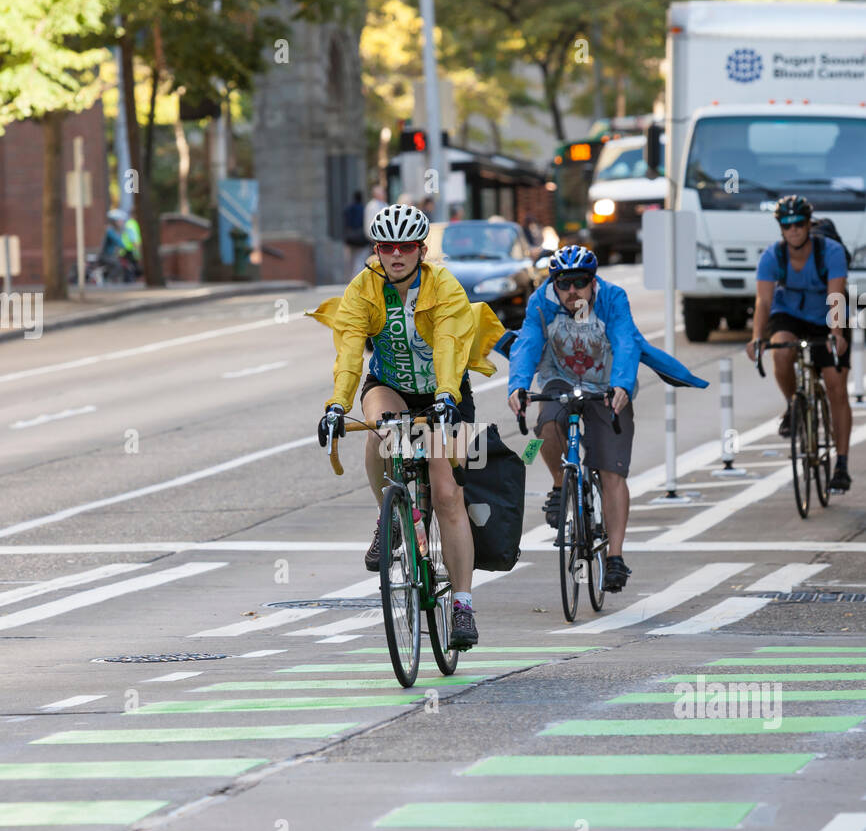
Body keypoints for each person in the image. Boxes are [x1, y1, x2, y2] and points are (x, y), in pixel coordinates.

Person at [307, 203, 506, 649]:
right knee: (380, 428)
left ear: (420, 249)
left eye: (406, 247)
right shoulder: (364, 288)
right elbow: (350, 352)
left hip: (444, 390)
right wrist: (337, 405)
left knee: (448, 493)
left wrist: (446, 398)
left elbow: (452, 346)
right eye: (386, 247)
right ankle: (389, 516)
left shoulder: (445, 288)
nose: (396, 255)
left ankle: (462, 604)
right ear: (377, 249)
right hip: (391, 385)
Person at [507, 245, 708, 592]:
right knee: (545, 427)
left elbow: (627, 342)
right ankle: (559, 484)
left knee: (612, 470)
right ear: (553, 282)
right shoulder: (540, 302)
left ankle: (615, 557)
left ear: (593, 281)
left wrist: (623, 386)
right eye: (563, 283)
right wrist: (518, 386)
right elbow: (526, 344)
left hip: (607, 382)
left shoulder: (614, 298)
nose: (572, 291)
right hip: (560, 379)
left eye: (580, 283)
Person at [746, 194, 851, 492]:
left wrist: (837, 334)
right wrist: (757, 337)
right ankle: (794, 404)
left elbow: (836, 297)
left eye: (799, 223)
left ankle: (841, 465)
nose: (793, 230)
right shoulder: (772, 256)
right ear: (780, 227)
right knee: (781, 352)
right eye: (787, 224)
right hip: (788, 314)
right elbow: (764, 301)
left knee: (835, 385)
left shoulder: (830, 252)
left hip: (827, 317)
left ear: (809, 224)